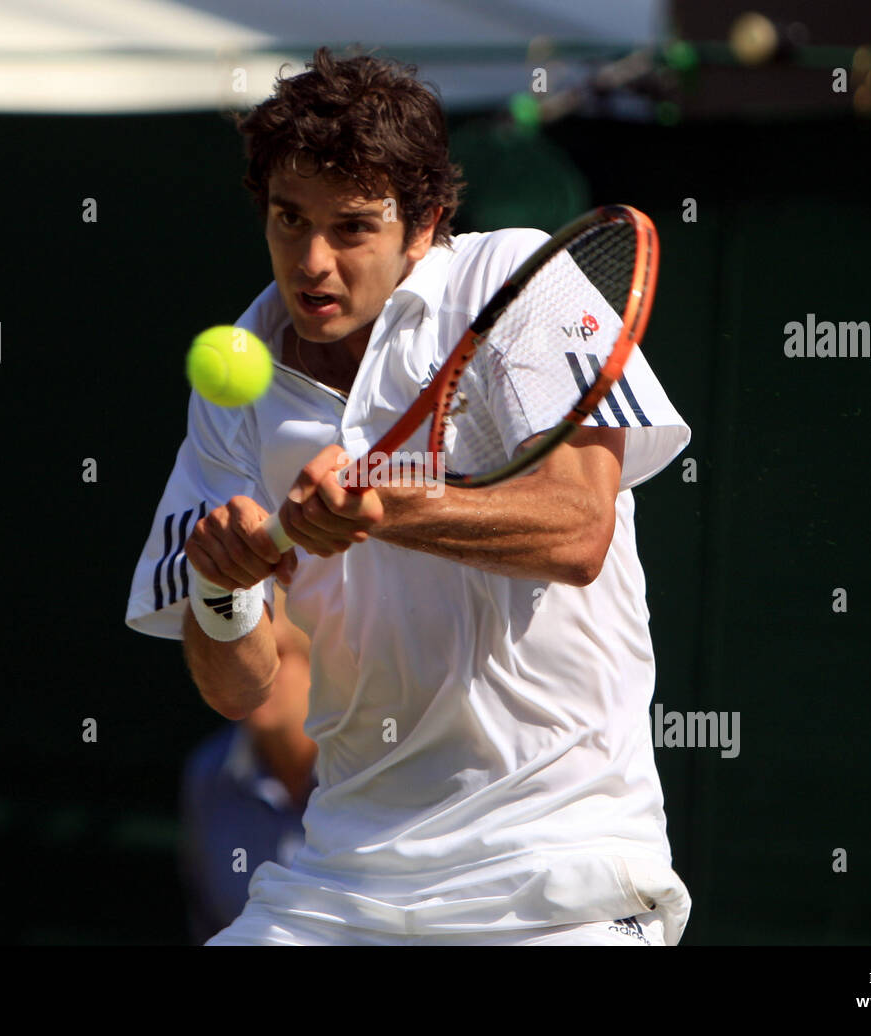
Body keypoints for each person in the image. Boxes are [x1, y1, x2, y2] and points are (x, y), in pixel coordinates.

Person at [126, 46, 693, 945]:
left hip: (559, 868)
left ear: (423, 224)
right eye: (288, 219)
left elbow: (580, 526)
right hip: (341, 879)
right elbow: (239, 689)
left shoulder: (515, 281)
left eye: (351, 226)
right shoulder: (237, 376)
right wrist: (223, 588)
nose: (312, 262)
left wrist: (390, 506)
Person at [177, 588, 316, 944]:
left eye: (278, 653)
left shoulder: (373, 767)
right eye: (238, 655)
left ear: (318, 661)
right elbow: (208, 920)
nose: (255, 675)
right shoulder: (206, 775)